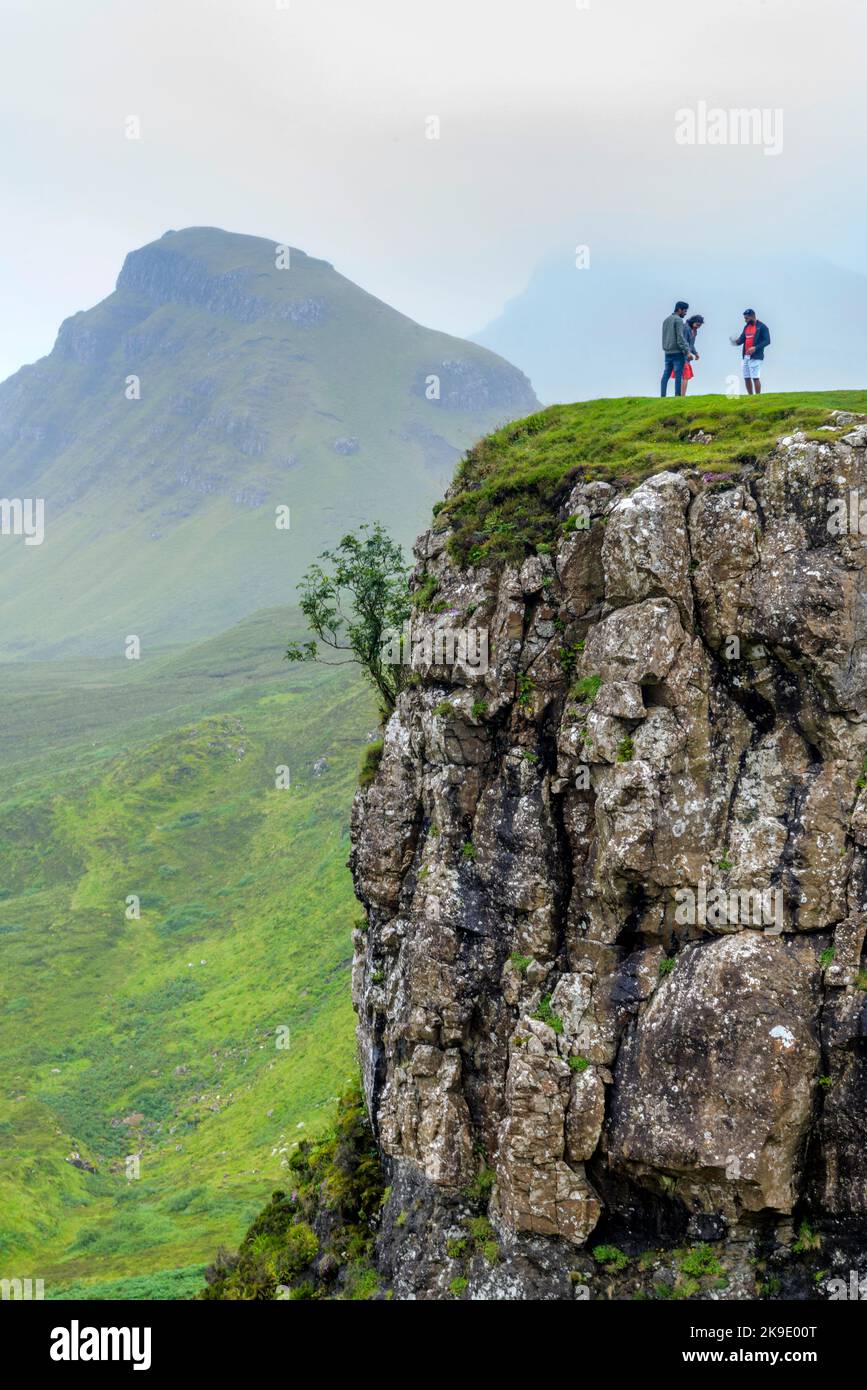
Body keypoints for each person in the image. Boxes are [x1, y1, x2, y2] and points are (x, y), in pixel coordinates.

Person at [731, 308, 771, 395]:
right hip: (745, 356)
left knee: (755, 377)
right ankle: (750, 396)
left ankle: (757, 397)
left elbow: (767, 341)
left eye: (747, 318)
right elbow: (742, 339)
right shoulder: (746, 327)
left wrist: (755, 348)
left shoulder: (762, 327)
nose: (745, 320)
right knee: (746, 377)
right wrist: (736, 342)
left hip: (756, 356)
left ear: (753, 316)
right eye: (745, 318)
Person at [661, 301, 695, 397]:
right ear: (679, 309)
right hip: (677, 352)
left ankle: (662, 396)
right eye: (684, 311)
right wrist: (687, 352)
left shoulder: (666, 320)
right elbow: (680, 338)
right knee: (679, 375)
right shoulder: (678, 320)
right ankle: (678, 396)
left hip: (667, 352)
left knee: (666, 375)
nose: (685, 313)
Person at [672, 314, 704, 395]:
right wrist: (688, 353)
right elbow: (683, 343)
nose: (698, 327)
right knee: (685, 375)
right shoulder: (686, 328)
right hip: (681, 355)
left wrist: (696, 353)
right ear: (693, 322)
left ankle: (680, 395)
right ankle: (682, 396)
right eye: (697, 324)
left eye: (699, 326)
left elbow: (691, 345)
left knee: (684, 376)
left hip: (687, 356)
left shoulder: (694, 331)